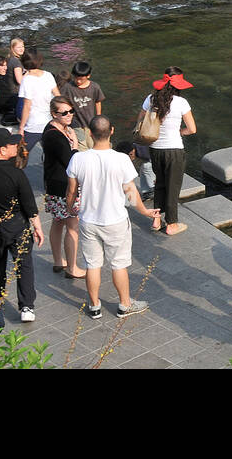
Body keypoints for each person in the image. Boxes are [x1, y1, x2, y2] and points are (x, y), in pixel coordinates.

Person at [66, 115, 160, 319]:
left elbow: (71, 191)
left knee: (93, 264)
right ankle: (125, 305)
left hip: (89, 220)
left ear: (90, 133)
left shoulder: (78, 158)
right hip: (116, 220)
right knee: (118, 264)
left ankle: (94, 306)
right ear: (112, 131)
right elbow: (131, 191)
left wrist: (70, 208)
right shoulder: (122, 159)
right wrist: (144, 211)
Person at [0, 128, 45, 326]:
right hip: (17, 226)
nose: (16, 146)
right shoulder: (16, 174)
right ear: (3, 150)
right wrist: (37, 227)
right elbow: (29, 204)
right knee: (24, 264)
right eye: (12, 144)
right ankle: (27, 306)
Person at [139, 67, 197, 236]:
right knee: (173, 187)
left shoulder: (150, 99)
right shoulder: (181, 103)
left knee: (160, 183)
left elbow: (141, 120)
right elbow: (192, 129)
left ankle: (156, 219)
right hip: (174, 150)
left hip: (155, 149)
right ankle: (171, 224)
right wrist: (180, 132)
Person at [43, 95, 87, 279]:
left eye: (71, 111)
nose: (69, 115)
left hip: (53, 184)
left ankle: (58, 261)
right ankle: (72, 268)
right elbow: (71, 161)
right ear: (54, 114)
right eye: (64, 113)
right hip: (64, 186)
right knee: (72, 225)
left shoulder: (56, 129)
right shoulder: (55, 135)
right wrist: (76, 145)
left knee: (58, 221)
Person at [15, 46, 58, 164]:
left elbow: (27, 105)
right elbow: (58, 96)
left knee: (20, 155)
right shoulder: (48, 75)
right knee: (51, 155)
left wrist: (21, 127)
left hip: (33, 124)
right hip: (50, 122)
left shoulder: (27, 80)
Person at [61, 60, 105, 149]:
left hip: (90, 121)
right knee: (81, 145)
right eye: (76, 78)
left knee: (92, 144)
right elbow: (61, 101)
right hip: (75, 122)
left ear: (88, 76)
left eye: (81, 79)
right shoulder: (68, 87)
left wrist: (98, 117)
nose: (78, 81)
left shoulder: (94, 87)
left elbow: (98, 101)